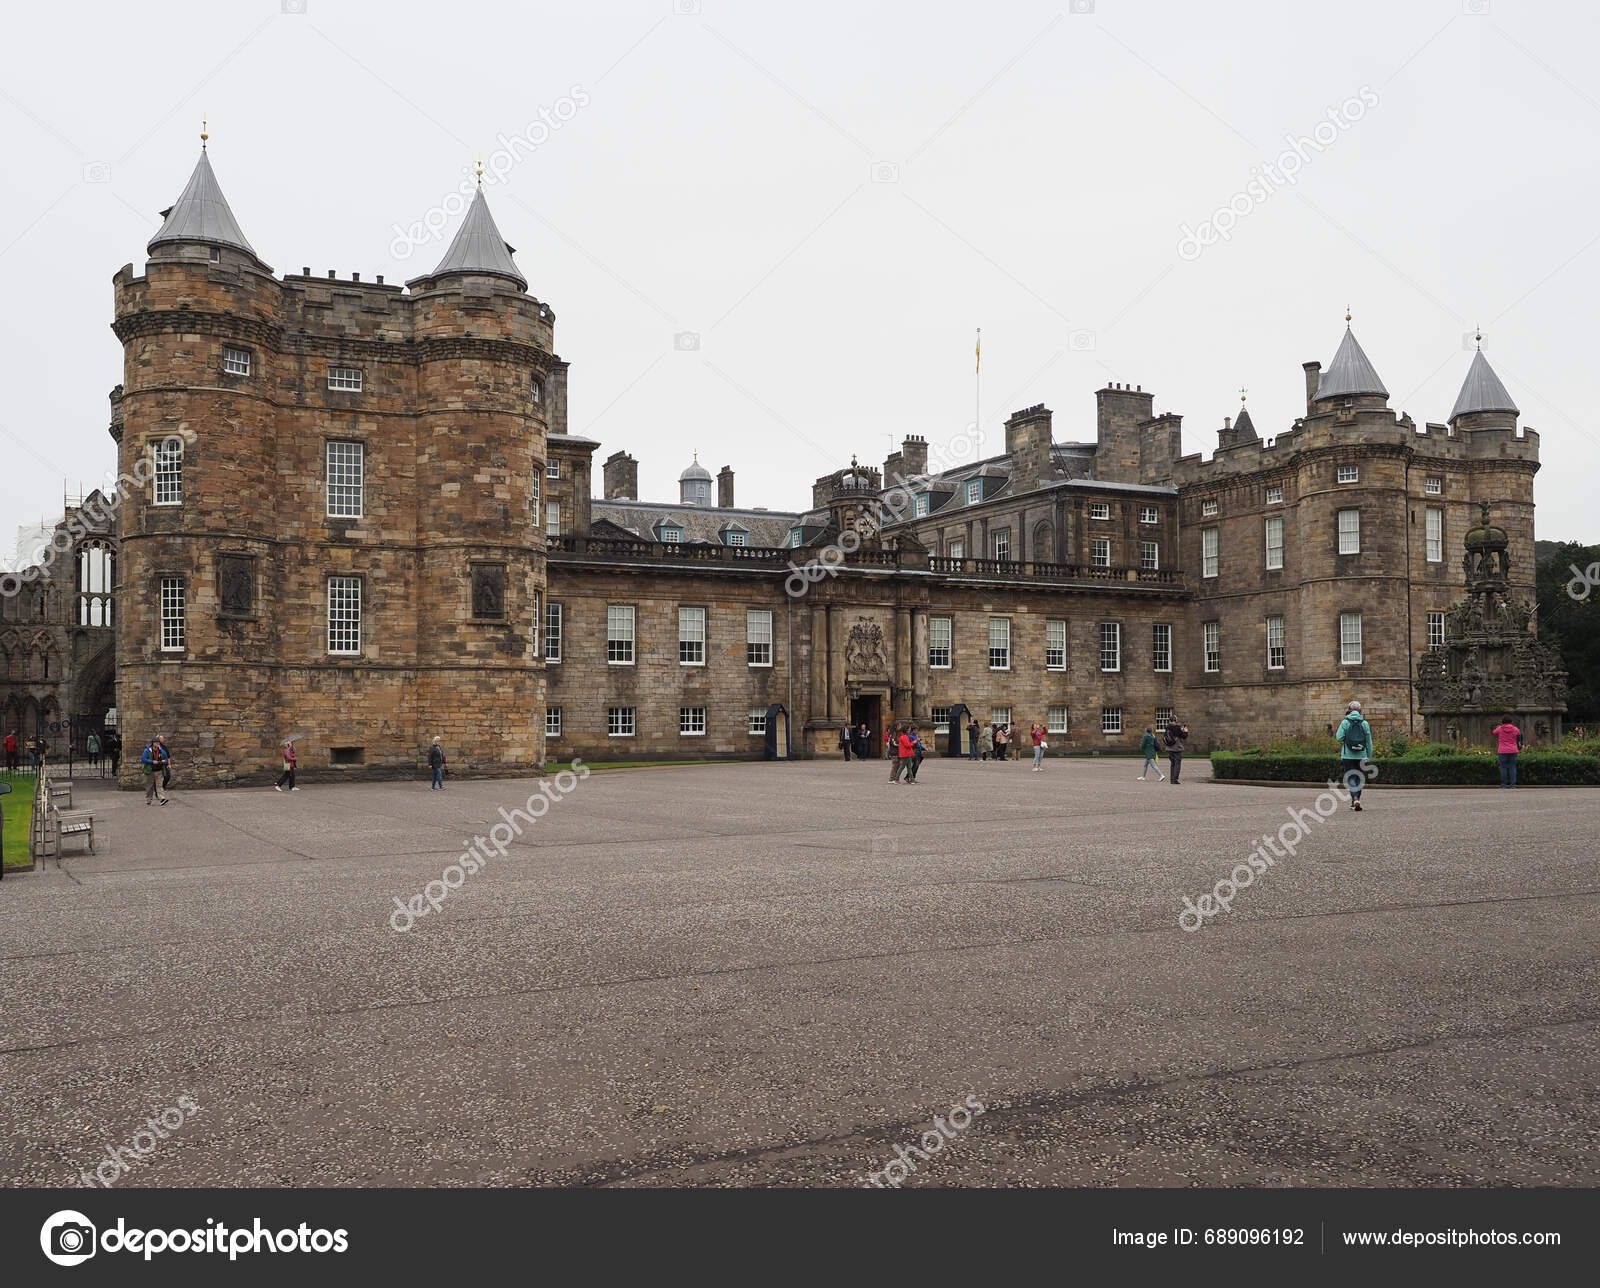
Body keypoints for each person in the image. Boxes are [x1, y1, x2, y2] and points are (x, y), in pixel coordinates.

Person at [1334, 701, 1372, 811]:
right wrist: (1368, 756)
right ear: (1360, 710)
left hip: (1348, 756)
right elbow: (1369, 742)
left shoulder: (1345, 722)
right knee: (1359, 778)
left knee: (1351, 777)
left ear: (1349, 709)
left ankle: (1354, 798)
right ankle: (1355, 800)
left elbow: (1339, 737)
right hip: (1362, 755)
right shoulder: (1364, 723)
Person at [1491, 714, 1522, 788]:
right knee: (1512, 767)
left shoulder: (1500, 728)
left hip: (1502, 750)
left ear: (1502, 722)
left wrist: (1499, 727)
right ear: (1511, 722)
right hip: (1513, 750)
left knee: (1503, 767)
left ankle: (1503, 784)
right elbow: (1519, 735)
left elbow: (1494, 732)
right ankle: (1513, 784)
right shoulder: (1515, 729)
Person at [141, 736, 170, 805]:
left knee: (159, 785)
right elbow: (143, 759)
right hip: (150, 771)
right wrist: (152, 761)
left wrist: (164, 761)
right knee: (149, 786)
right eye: (156, 742)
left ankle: (162, 799)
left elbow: (166, 760)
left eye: (158, 742)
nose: (157, 744)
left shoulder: (162, 751)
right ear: (152, 743)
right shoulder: (147, 751)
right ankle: (148, 799)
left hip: (159, 771)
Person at [1164, 720, 1188, 785]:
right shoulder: (1177, 727)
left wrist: (1181, 730)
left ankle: (1172, 779)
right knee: (1177, 764)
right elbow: (1184, 736)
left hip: (1169, 748)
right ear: (1175, 720)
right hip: (1177, 748)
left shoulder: (1167, 727)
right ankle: (1175, 780)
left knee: (1172, 764)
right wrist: (1185, 731)